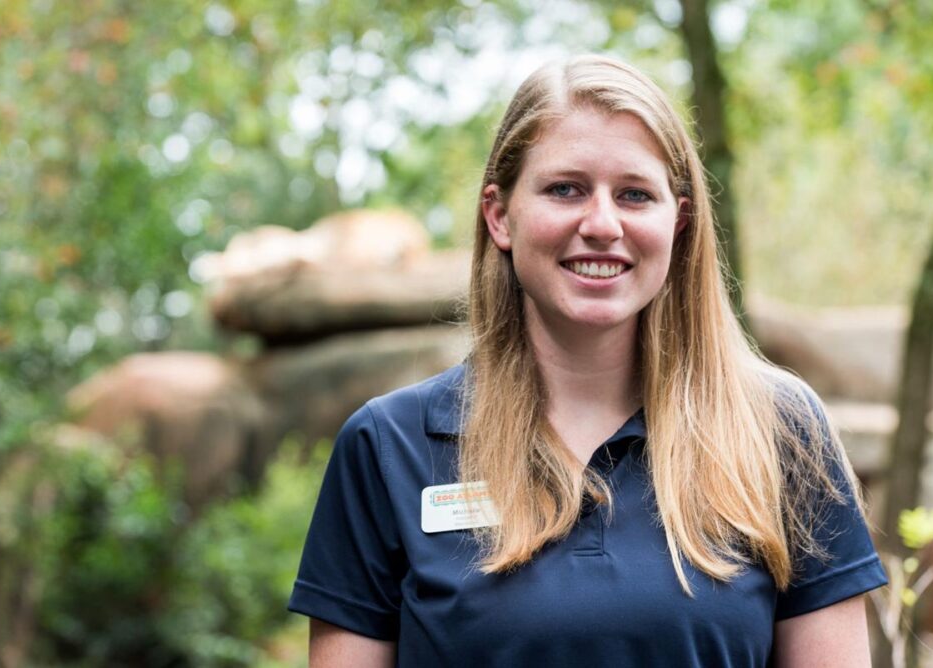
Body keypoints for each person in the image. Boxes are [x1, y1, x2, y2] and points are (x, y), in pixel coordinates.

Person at [288, 54, 888, 667]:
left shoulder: (779, 430)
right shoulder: (389, 446)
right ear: (499, 216)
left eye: (635, 195)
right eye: (565, 189)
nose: (602, 224)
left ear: (678, 224)